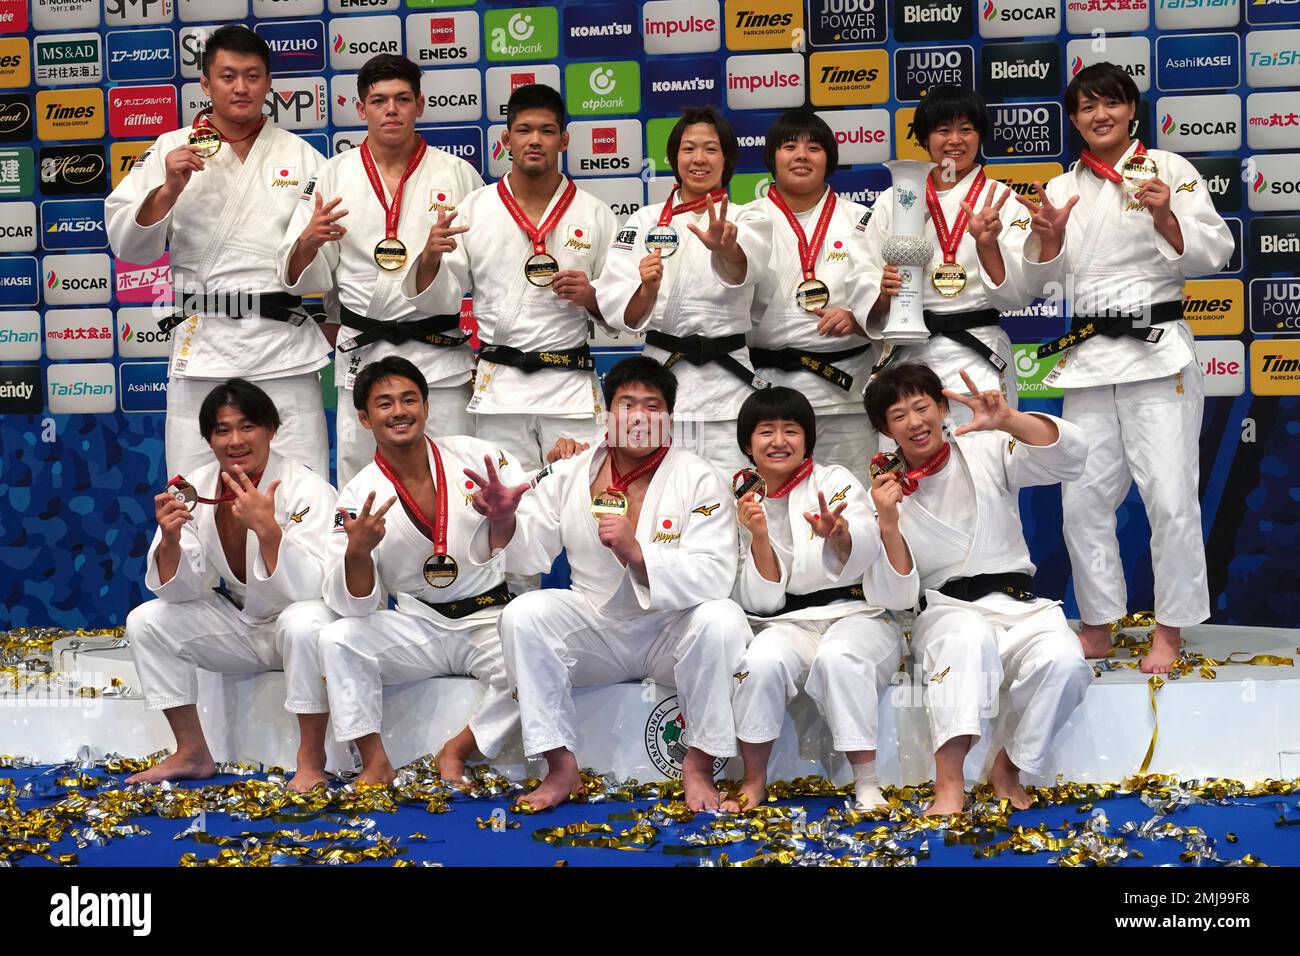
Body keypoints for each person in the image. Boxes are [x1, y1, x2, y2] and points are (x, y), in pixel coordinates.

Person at [1017, 63, 1233, 673]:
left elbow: (1216, 252)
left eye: (1109, 103)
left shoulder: (1168, 170)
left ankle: (1170, 627)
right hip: (1089, 357)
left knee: (1169, 497)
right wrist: (1049, 242)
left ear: (1131, 109)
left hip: (1157, 349)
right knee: (1082, 499)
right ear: (1075, 119)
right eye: (1086, 108)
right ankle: (1098, 620)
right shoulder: (1061, 189)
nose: (1098, 115)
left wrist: (1167, 215)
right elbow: (1033, 280)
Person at [466, 357, 746, 811]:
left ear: (669, 418)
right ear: (607, 414)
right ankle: (559, 766)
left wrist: (640, 555)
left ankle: (698, 763)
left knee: (722, 618)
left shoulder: (699, 475)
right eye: (626, 404)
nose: (638, 416)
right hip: (594, 629)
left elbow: (716, 573)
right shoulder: (570, 471)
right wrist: (504, 518)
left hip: (670, 633)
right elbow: (529, 551)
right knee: (524, 614)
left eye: (652, 406)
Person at [863, 363, 1093, 815]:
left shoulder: (985, 448)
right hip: (949, 609)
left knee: (1066, 661)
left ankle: (1010, 766)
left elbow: (1072, 459)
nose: (914, 422)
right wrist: (887, 523)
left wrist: (1009, 420)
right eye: (898, 415)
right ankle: (948, 785)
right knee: (967, 639)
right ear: (885, 430)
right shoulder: (884, 492)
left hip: (1021, 605)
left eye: (922, 407)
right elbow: (895, 596)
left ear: (943, 407)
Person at [106, 25, 330, 479]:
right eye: (228, 76)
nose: (241, 87)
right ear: (206, 84)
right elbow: (127, 244)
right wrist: (168, 189)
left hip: (282, 350)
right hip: (203, 347)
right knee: (192, 497)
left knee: (301, 492)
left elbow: (327, 266)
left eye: (252, 76)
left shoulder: (304, 157)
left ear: (269, 83)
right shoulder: (172, 147)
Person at [311, 357, 522, 787]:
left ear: (427, 407)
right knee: (338, 638)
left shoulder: (479, 458)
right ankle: (374, 762)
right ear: (364, 418)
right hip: (419, 624)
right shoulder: (358, 492)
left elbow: (530, 548)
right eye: (384, 404)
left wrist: (503, 518)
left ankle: (458, 749)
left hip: (489, 618)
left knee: (539, 656)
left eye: (409, 399)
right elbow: (352, 604)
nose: (400, 411)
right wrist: (358, 552)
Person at [278, 53, 484, 487]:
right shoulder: (332, 175)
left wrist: (433, 262)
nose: (391, 110)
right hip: (364, 359)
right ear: (360, 109)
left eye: (402, 99)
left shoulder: (458, 174)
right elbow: (297, 272)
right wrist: (308, 242)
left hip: (439, 358)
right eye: (378, 100)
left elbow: (481, 272)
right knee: (364, 487)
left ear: (420, 105)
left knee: (455, 481)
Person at [124, 379, 337, 787]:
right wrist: (169, 540)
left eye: (248, 426)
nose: (235, 440)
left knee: (304, 619)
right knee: (147, 620)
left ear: (271, 430)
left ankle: (311, 759)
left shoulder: (307, 487)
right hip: (245, 626)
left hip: (304, 632)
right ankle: (191, 752)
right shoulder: (190, 489)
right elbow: (181, 591)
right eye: (222, 430)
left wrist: (269, 531)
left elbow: (316, 590)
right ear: (208, 438)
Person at [402, 84, 614, 476]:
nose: (535, 140)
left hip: (569, 390)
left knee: (584, 505)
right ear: (506, 140)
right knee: (506, 508)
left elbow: (620, 312)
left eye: (548, 131)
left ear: (564, 139)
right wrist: (430, 256)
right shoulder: (476, 208)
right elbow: (439, 299)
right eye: (524, 130)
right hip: (500, 391)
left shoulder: (594, 213)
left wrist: (590, 296)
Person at [724, 387, 913, 813]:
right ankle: (754, 781)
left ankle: (866, 781)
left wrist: (840, 534)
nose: (779, 442)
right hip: (784, 624)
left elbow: (862, 537)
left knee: (839, 656)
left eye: (791, 431)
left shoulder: (834, 480)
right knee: (760, 662)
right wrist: (757, 535)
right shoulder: (737, 498)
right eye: (765, 432)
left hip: (855, 615)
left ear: (807, 439)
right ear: (747, 443)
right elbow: (761, 600)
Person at [594, 107, 765, 474]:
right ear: (673, 158)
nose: (698, 159)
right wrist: (646, 289)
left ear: (727, 159)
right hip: (661, 386)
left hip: (728, 387)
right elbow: (615, 302)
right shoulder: (644, 221)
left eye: (710, 149)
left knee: (735, 499)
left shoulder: (748, 217)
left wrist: (727, 249)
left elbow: (752, 267)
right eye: (688, 149)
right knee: (659, 500)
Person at [858, 85, 1030, 422]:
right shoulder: (894, 199)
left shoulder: (1001, 199)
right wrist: (882, 292)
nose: (955, 140)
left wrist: (987, 244)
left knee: (986, 466)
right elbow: (863, 270)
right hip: (910, 357)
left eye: (966, 129)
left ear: (981, 136)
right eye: (943, 130)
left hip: (979, 355)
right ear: (924, 138)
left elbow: (1016, 295)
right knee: (912, 469)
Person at [727, 110, 880, 486]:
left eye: (813, 147)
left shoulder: (862, 220)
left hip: (844, 391)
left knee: (852, 500)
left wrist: (860, 318)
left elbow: (887, 292)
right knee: (770, 506)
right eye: (789, 146)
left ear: (829, 158)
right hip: (771, 396)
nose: (801, 155)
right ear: (771, 158)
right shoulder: (748, 220)